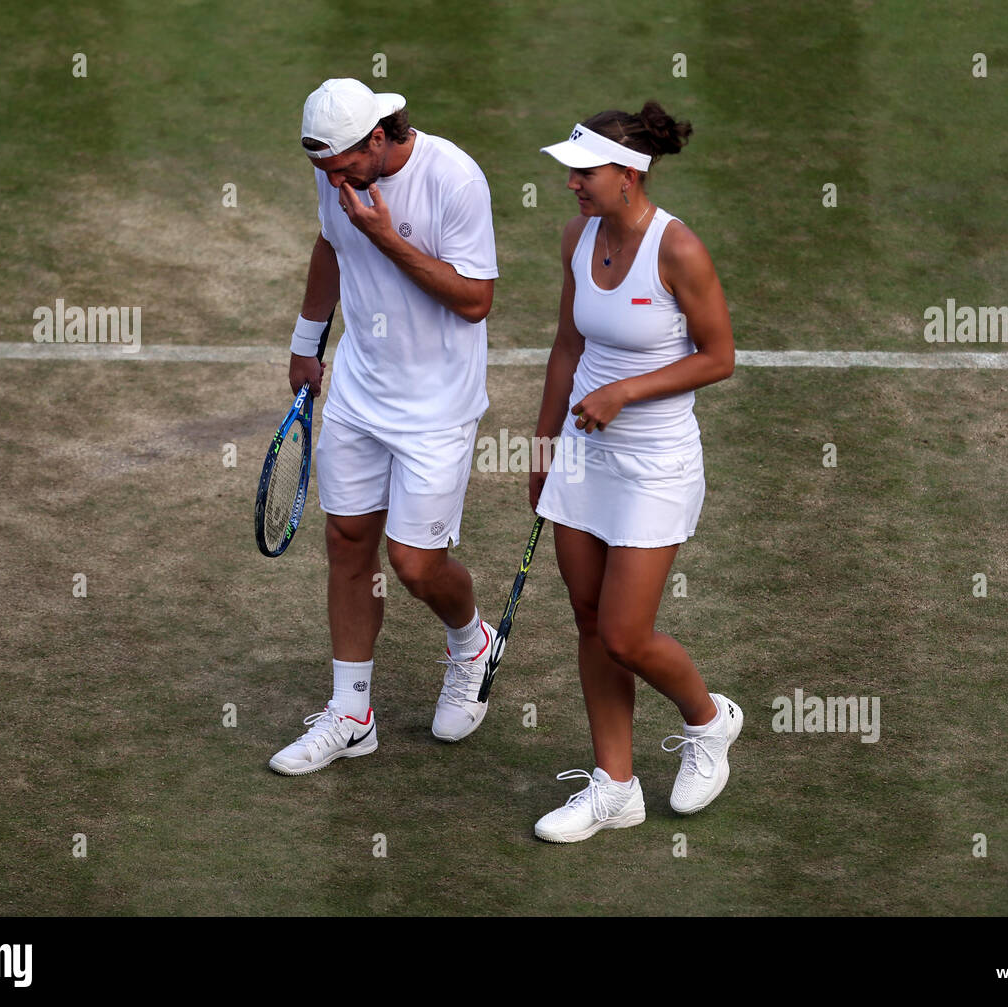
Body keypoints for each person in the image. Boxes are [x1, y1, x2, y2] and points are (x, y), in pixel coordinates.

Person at [269, 78, 499, 776]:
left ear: (378, 137)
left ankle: (471, 643)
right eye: (322, 171)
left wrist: (386, 236)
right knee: (346, 543)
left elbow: (475, 300)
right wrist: (307, 342)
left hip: (437, 408)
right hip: (360, 395)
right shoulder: (336, 172)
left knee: (414, 564)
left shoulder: (455, 179)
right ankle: (351, 713)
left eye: (341, 168)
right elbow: (330, 247)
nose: (332, 182)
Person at [529, 103, 739, 842]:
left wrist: (623, 390)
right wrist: (543, 443)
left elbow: (719, 356)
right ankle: (615, 783)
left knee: (624, 632)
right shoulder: (577, 238)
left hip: (654, 463)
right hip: (584, 457)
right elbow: (564, 347)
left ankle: (709, 720)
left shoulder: (678, 249)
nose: (571, 186)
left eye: (583, 173)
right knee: (588, 619)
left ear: (628, 174)